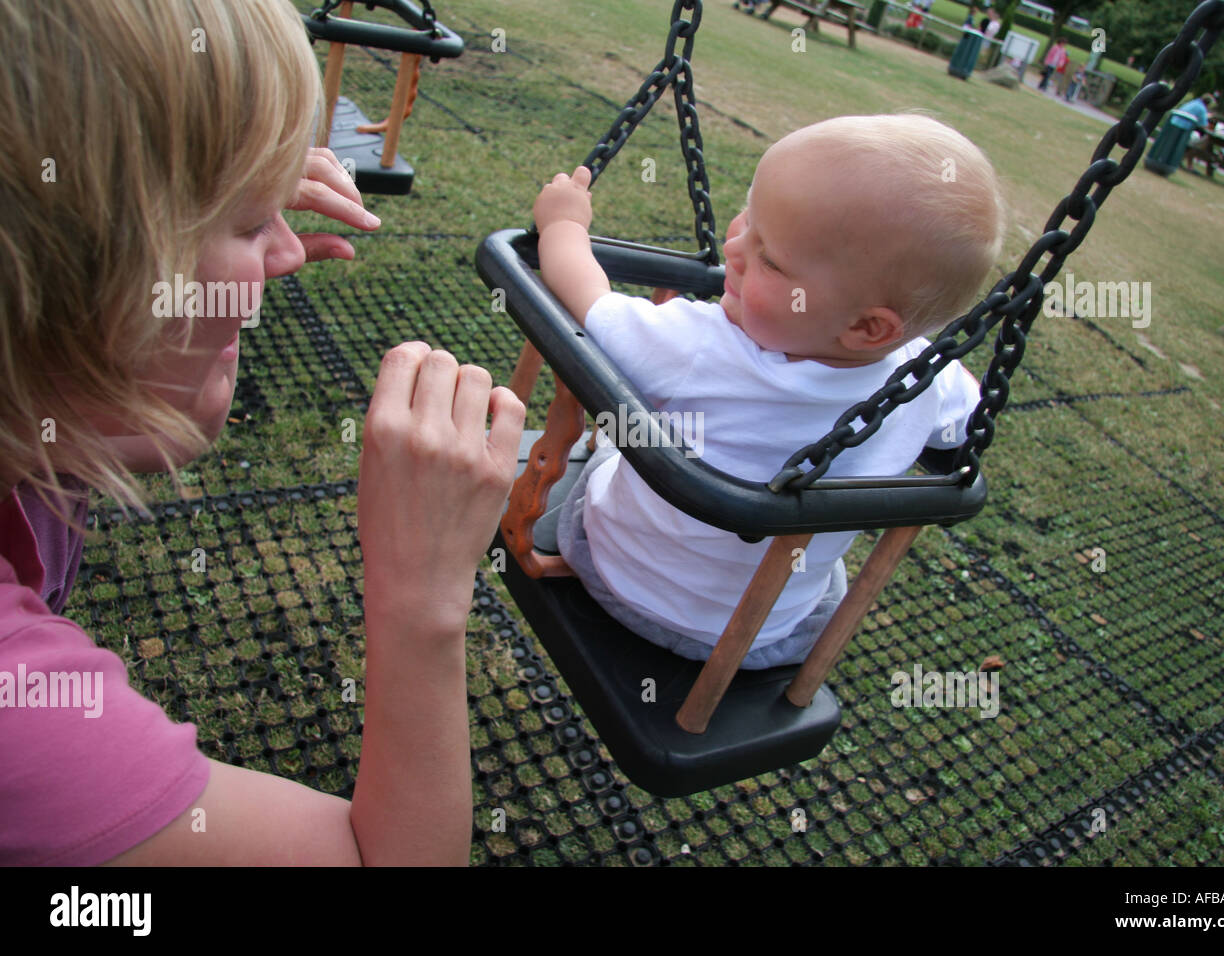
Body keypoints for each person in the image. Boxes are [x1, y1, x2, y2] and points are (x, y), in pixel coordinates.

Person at [1, 0, 524, 865]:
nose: (284, 250)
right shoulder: (26, 721)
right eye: (251, 224)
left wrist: (207, 251)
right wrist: (422, 594)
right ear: (83, 296)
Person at [532, 115, 1003, 668]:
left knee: (618, 441)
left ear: (869, 327)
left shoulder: (701, 347)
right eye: (749, 220)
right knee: (819, 576)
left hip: (620, 580)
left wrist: (563, 225)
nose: (733, 248)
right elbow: (965, 422)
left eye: (769, 259)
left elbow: (588, 300)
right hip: (759, 639)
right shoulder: (926, 374)